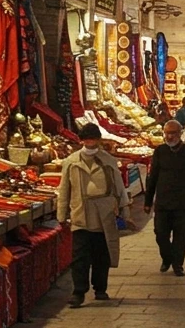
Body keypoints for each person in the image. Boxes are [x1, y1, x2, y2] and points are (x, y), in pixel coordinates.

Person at [56, 122, 130, 307]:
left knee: (101, 253)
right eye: (87, 139)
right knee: (79, 255)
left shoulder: (108, 160)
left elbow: (119, 187)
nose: (90, 143)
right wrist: (61, 214)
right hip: (80, 213)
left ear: (98, 140)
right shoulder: (71, 162)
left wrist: (124, 209)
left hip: (103, 213)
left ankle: (100, 288)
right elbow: (64, 189)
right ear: (82, 140)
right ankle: (78, 291)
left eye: (93, 139)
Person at [144, 120, 185, 275]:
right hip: (162, 202)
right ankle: (167, 258)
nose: (170, 136)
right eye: (167, 133)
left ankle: (178, 264)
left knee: (180, 235)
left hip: (182, 201)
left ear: (180, 134)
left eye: (173, 133)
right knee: (160, 234)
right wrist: (147, 201)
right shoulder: (160, 151)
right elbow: (152, 177)